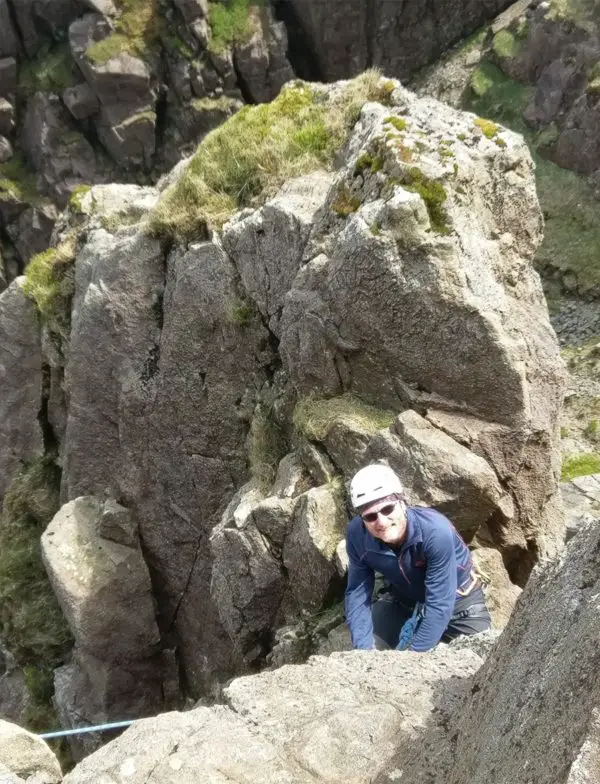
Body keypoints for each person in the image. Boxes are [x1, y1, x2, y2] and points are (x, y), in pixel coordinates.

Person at [345, 463, 491, 652]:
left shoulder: (435, 532)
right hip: (404, 602)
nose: (381, 521)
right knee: (370, 649)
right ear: (362, 519)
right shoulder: (357, 534)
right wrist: (362, 653)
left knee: (483, 661)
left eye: (388, 509)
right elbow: (357, 591)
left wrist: (413, 661)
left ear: (402, 502)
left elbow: (439, 605)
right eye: (371, 516)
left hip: (459, 606)